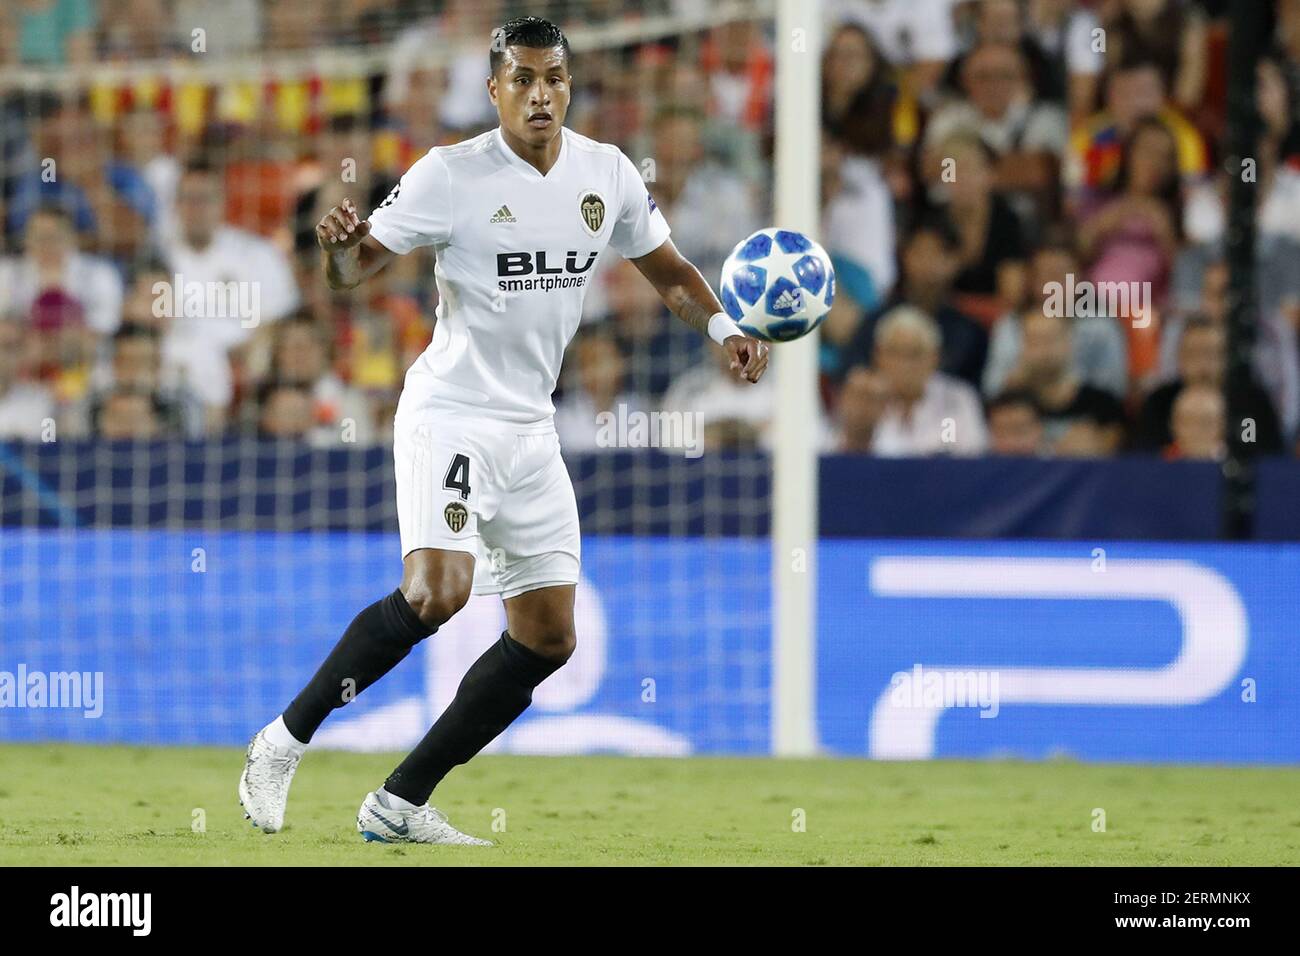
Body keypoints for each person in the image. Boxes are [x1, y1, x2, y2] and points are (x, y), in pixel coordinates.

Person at [237, 16, 769, 846]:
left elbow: (668, 273)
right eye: (521, 78)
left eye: (553, 77)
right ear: (494, 90)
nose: (540, 93)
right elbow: (355, 269)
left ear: (569, 85)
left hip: (532, 428)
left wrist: (723, 328)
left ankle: (400, 802)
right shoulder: (450, 175)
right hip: (451, 414)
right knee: (437, 593)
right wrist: (336, 251)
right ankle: (282, 740)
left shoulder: (608, 174)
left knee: (549, 637)